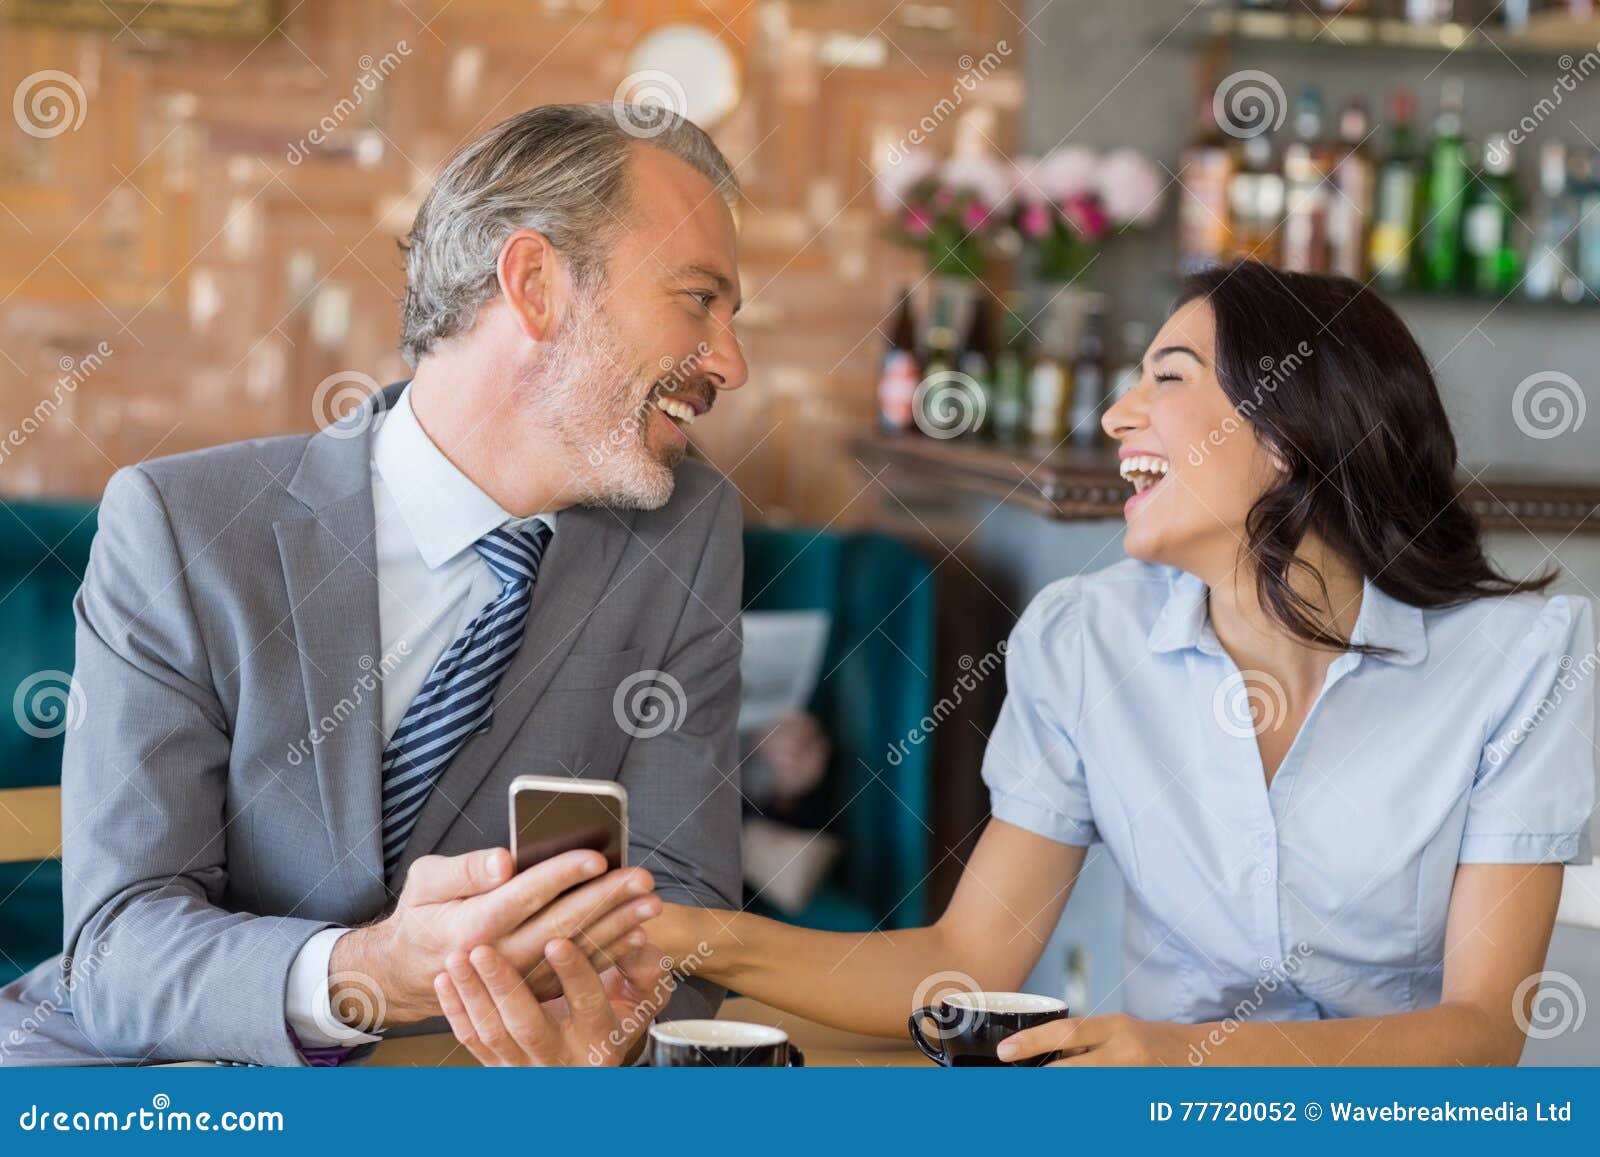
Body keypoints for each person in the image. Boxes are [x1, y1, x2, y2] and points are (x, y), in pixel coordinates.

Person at [650, 261, 1596, 1066]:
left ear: (1288, 433)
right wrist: (692, 935)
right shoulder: (1083, 641)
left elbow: (1482, 1032)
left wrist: (1196, 1059)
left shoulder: (1516, 661)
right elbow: (969, 959)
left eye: (1168, 377)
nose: (1114, 415)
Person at [0, 102, 749, 1068]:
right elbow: (115, 950)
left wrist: (611, 1025)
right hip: (152, 1076)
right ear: (535, 286)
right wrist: (362, 973)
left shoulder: (688, 529)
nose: (731, 359)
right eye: (699, 300)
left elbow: (688, 910)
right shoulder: (180, 527)